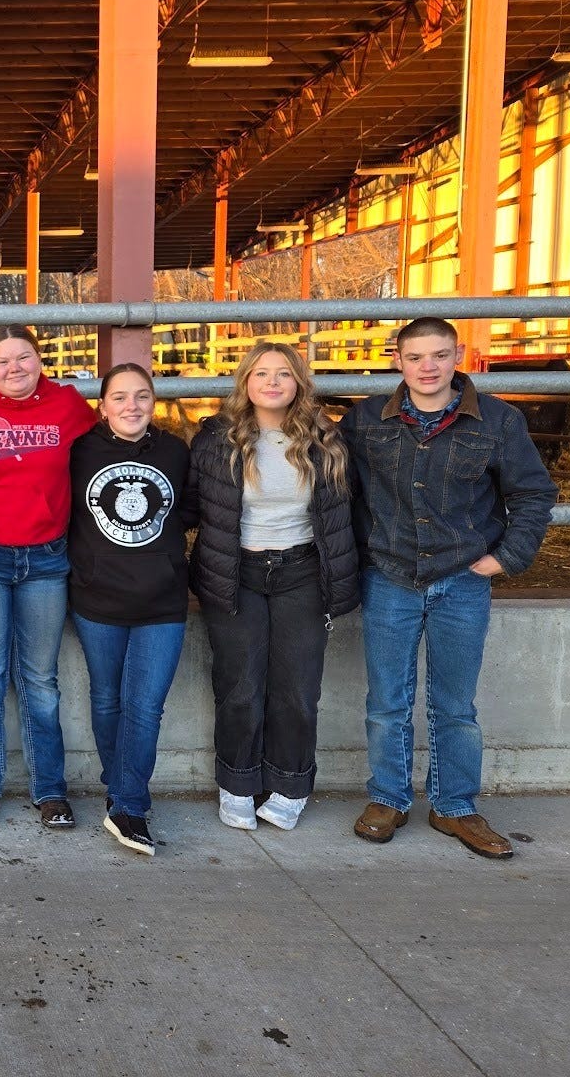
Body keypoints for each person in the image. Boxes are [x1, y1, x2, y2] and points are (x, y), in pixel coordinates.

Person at [344, 317, 555, 858]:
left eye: (439, 355)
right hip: (389, 576)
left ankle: (454, 805)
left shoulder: (499, 422)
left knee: (455, 704)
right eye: (416, 358)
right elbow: (331, 486)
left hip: (462, 579)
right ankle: (388, 797)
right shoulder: (366, 420)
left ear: (456, 355)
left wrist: (505, 558)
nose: (428, 367)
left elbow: (533, 494)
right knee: (387, 701)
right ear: (398, 360)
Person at [189, 343, 358, 835]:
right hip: (235, 573)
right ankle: (237, 783)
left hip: (301, 572)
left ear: (299, 383)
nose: (272, 382)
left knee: (297, 690)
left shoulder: (326, 440)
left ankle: (290, 785)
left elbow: (344, 514)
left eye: (284, 373)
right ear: (245, 382)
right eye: (261, 373)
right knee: (239, 687)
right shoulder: (216, 440)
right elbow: (190, 508)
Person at [0, 325, 96, 829]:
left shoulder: (69, 406)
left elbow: (104, 456)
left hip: (47, 561)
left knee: (41, 680)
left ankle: (50, 789)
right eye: (3, 361)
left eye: (24, 358)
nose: (15, 368)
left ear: (40, 360)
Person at [67, 364, 196, 856]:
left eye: (142, 396)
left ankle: (129, 806)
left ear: (153, 401)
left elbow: (191, 507)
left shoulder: (174, 451)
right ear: (102, 406)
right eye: (119, 397)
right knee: (107, 700)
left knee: (145, 706)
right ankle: (119, 788)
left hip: (162, 601)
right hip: (97, 599)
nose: (131, 406)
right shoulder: (80, 452)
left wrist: (162, 557)